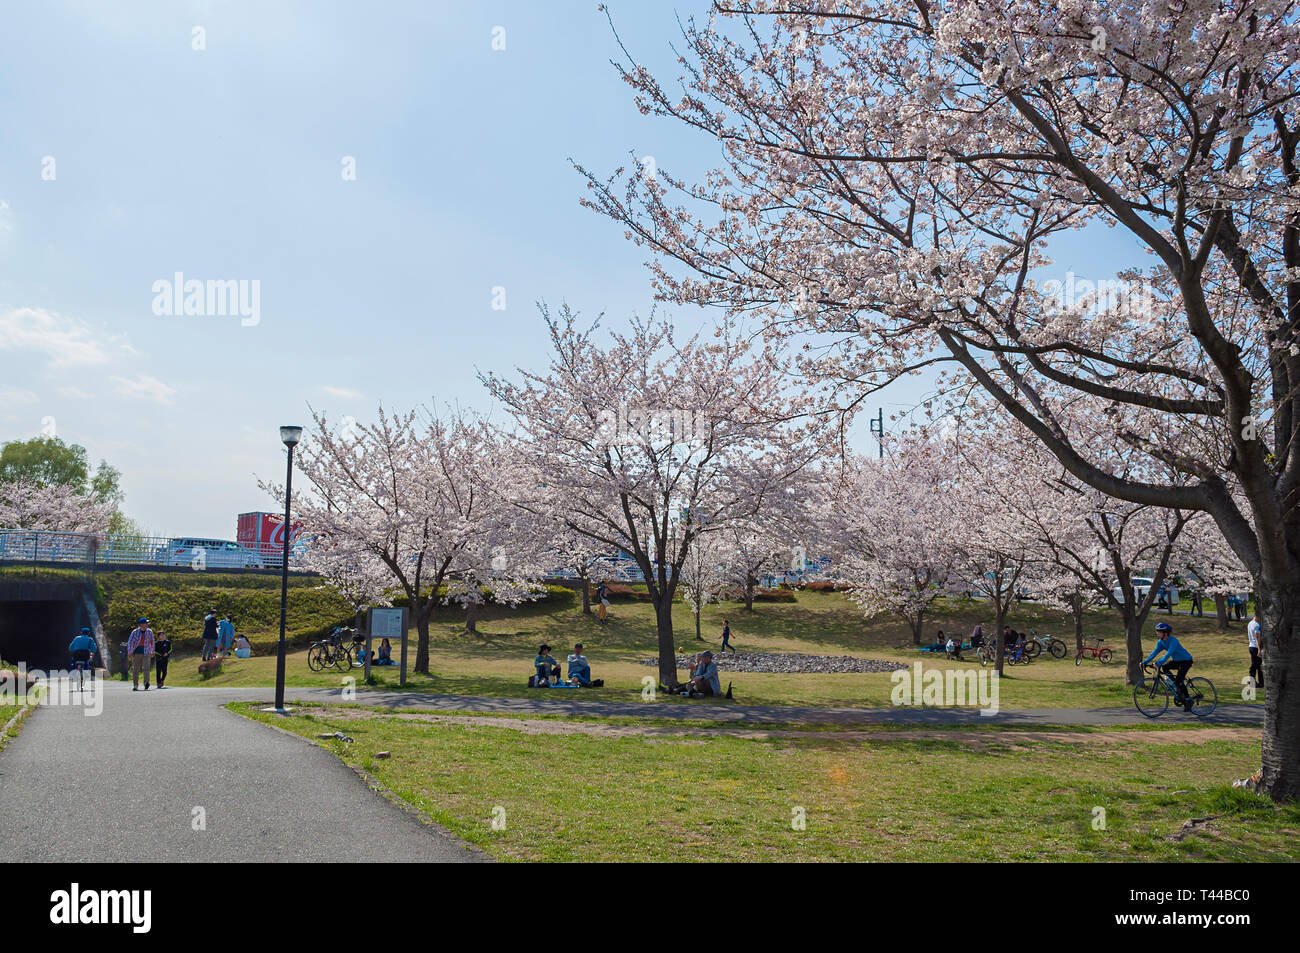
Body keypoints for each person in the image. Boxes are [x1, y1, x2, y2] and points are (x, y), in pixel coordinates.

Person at [1143, 621, 1194, 711]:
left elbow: (1168, 654)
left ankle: (1188, 700)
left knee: (1179, 681)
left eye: (1158, 631)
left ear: (1165, 633)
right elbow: (1154, 653)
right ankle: (1176, 685)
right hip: (1177, 661)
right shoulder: (1161, 642)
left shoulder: (1173, 641)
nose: (1157, 633)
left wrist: (1158, 663)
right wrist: (1145, 662)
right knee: (1165, 667)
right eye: (1157, 631)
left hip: (1186, 661)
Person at [127, 617, 155, 692]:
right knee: (136, 669)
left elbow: (152, 642)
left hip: (146, 652)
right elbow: (130, 642)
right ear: (141, 624)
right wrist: (130, 651)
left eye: (147, 623)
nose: (147, 624)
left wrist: (152, 651)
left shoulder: (150, 631)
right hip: (137, 652)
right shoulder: (135, 632)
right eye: (146, 623)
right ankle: (135, 685)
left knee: (146, 668)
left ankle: (146, 682)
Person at [1247, 612, 1264, 687]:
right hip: (1255, 647)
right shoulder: (1257, 625)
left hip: (1251, 646)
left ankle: (1254, 680)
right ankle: (1257, 682)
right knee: (1258, 665)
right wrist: (1259, 649)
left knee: (1255, 664)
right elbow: (1257, 637)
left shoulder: (1250, 623)